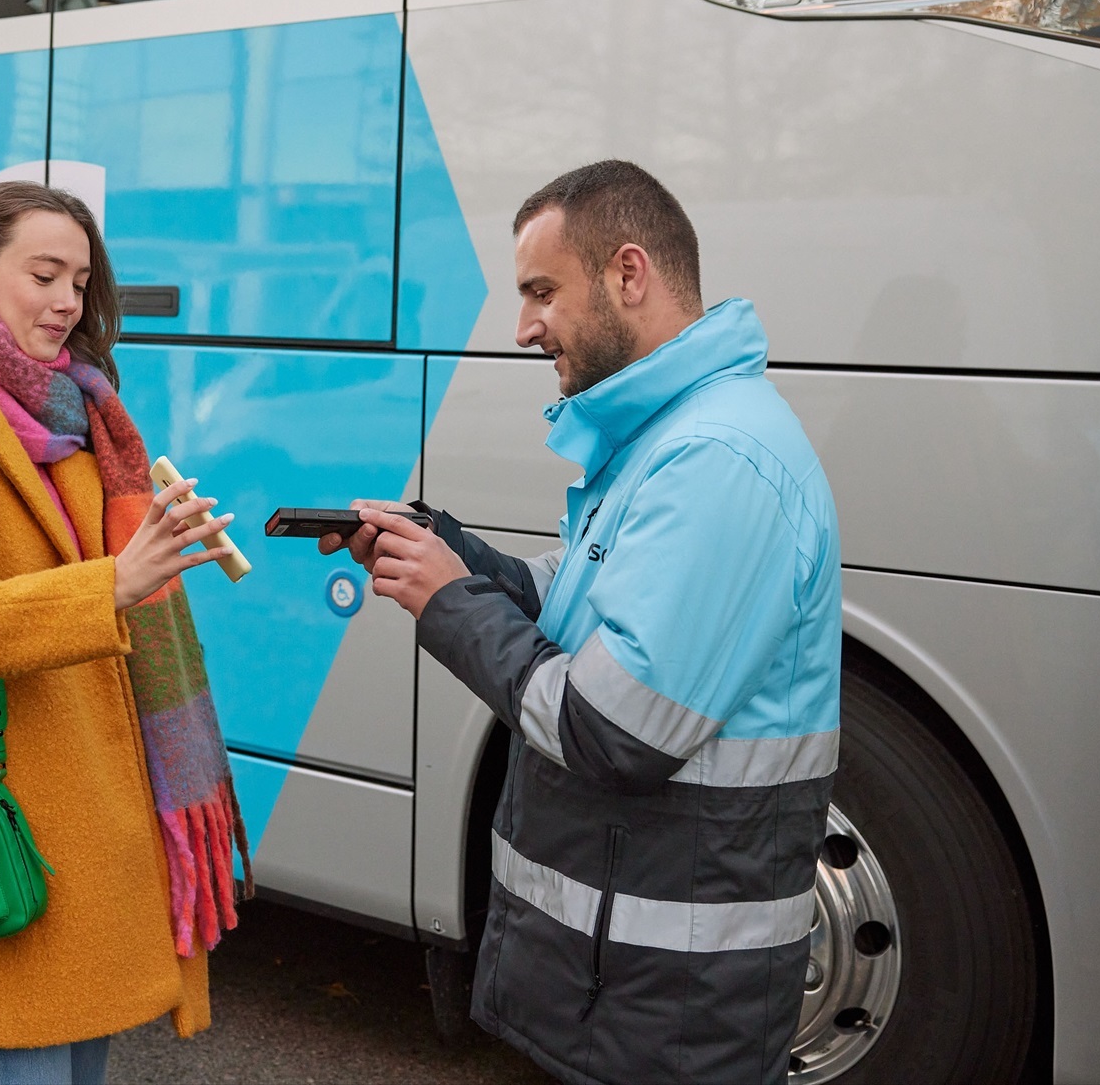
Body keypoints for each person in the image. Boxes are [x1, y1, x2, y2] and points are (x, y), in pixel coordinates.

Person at [324, 160, 841, 1085]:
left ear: (628, 273)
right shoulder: (670, 435)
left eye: (540, 291)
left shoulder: (715, 457)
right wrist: (447, 550)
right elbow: (574, 598)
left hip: (669, 1013)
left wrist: (449, 600)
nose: (523, 327)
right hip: (640, 994)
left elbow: (612, 729)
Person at [0, 181, 251, 1084]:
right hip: (1, 840)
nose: (68, 300)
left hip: (92, 845)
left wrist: (149, 545)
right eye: (44, 275)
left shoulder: (74, 415)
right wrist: (113, 582)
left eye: (79, 280)